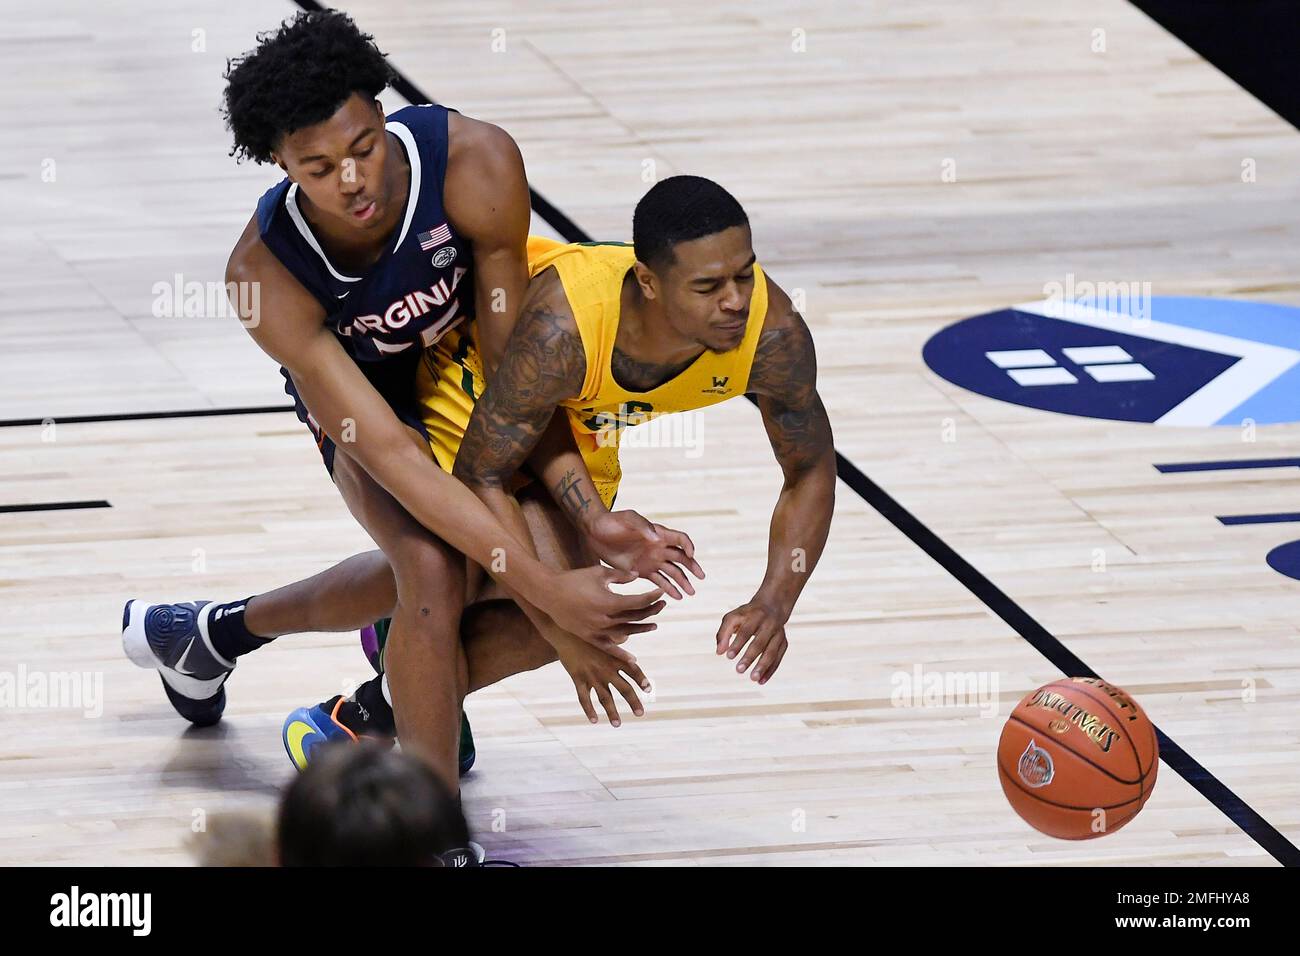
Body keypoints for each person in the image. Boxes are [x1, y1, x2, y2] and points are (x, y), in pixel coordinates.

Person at [120, 9, 683, 790]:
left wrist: (579, 536)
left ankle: (239, 643)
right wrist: (549, 597)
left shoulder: (476, 161)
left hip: (464, 378)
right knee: (432, 567)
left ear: (383, 117)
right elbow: (389, 453)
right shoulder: (264, 277)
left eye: (363, 149)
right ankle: (436, 831)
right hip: (371, 408)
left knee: (561, 578)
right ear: (280, 164)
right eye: (317, 169)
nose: (351, 181)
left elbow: (513, 377)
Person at [284, 175, 837, 754]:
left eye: (744, 275)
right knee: (462, 575)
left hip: (570, 422)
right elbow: (485, 472)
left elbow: (811, 469)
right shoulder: (562, 327)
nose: (735, 301)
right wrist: (563, 630)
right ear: (648, 283)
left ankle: (382, 673)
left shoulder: (772, 337)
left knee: (570, 606)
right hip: (477, 382)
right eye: (708, 286)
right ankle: (340, 699)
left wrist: (776, 599)